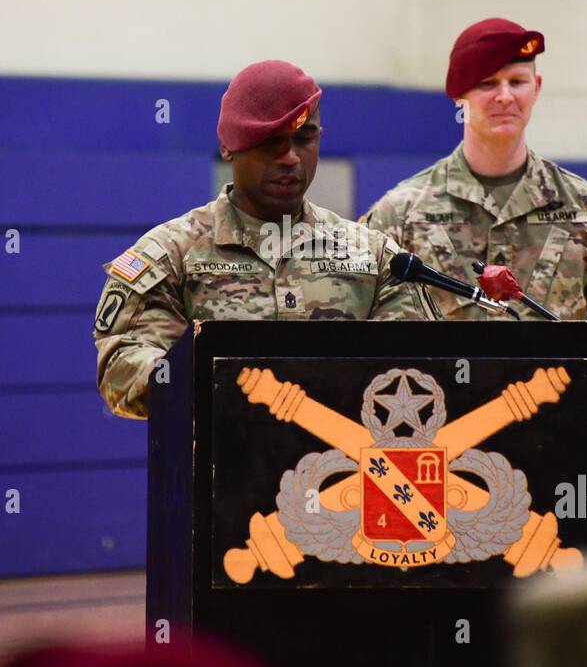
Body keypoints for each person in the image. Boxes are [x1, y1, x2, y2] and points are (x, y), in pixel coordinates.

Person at [94, 59, 436, 419]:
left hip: (341, 468)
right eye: (270, 142)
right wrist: (223, 382)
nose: (290, 158)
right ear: (228, 146)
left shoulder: (375, 257)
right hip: (221, 466)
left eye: (304, 138)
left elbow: (419, 369)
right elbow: (123, 368)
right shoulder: (171, 254)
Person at [360, 18, 587, 403]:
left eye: (517, 81)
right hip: (441, 437)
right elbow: (359, 328)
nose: (504, 96)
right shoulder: (399, 214)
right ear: (459, 96)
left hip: (555, 439)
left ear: (537, 88)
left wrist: (581, 399)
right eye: (487, 83)